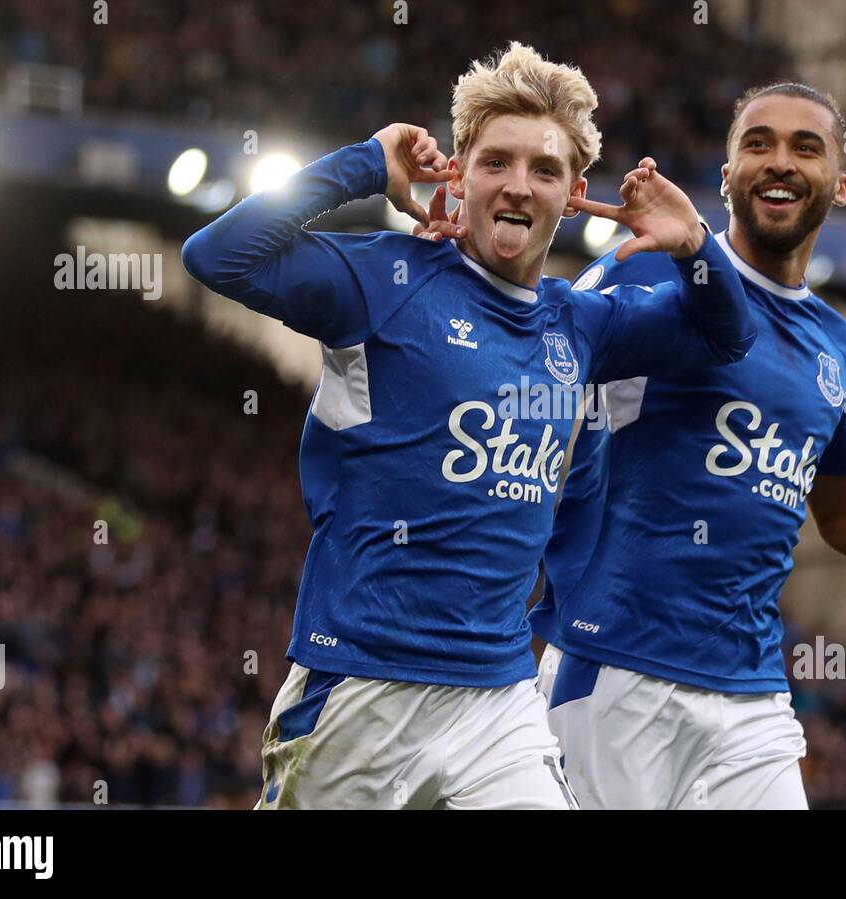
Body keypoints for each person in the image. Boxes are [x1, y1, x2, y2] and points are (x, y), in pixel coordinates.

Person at [180, 42, 754, 809]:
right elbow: (218, 256)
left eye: (544, 170)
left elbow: (726, 335)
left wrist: (694, 247)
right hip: (362, 685)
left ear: (575, 193)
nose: (519, 186)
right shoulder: (384, 279)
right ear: (458, 172)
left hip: (499, 701)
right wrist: (362, 164)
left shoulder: (583, 326)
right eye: (496, 162)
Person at [523, 83, 846, 809]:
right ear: (725, 177)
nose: (779, 161)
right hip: (614, 671)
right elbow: (533, 370)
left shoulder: (835, 345)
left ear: (841, 185)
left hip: (751, 696)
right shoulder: (646, 266)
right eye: (757, 144)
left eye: (805, 147)